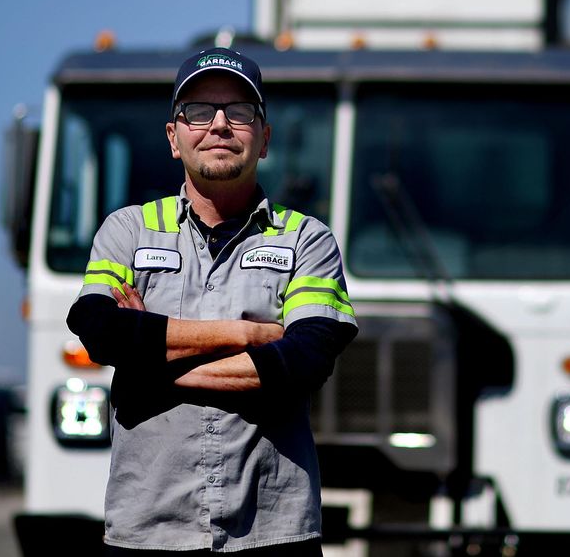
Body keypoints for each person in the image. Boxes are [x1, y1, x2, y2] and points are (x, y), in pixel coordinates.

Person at [66, 47, 358, 556]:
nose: (219, 125)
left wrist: (147, 361)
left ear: (264, 139)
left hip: (272, 532)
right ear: (174, 138)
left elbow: (306, 359)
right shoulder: (127, 229)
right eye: (199, 112)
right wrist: (246, 336)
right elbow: (98, 327)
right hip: (146, 530)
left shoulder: (306, 239)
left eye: (240, 112)